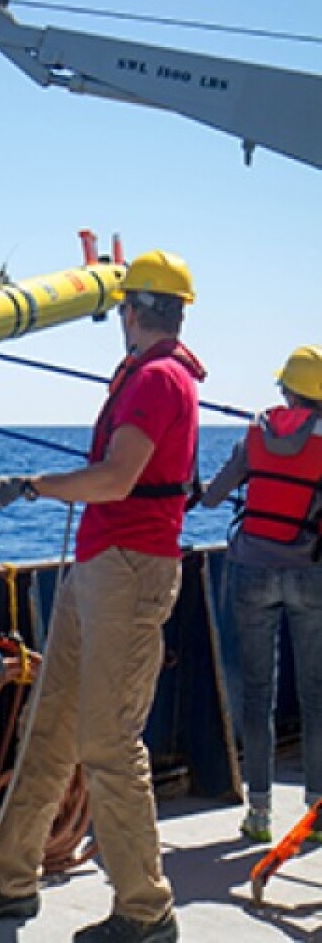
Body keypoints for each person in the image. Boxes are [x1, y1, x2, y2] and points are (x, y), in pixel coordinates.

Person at [0, 249, 205, 943]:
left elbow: (116, 479)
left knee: (108, 743)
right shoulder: (161, 378)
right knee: (51, 727)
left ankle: (145, 910)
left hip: (125, 573)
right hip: (101, 568)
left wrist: (29, 485)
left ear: (131, 310)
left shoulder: (154, 380)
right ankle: (7, 881)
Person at [200, 345, 322, 844]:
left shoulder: (254, 436)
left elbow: (210, 496)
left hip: (251, 571)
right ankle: (315, 814)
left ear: (287, 393)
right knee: (315, 697)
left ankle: (259, 812)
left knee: (257, 696)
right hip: (310, 574)